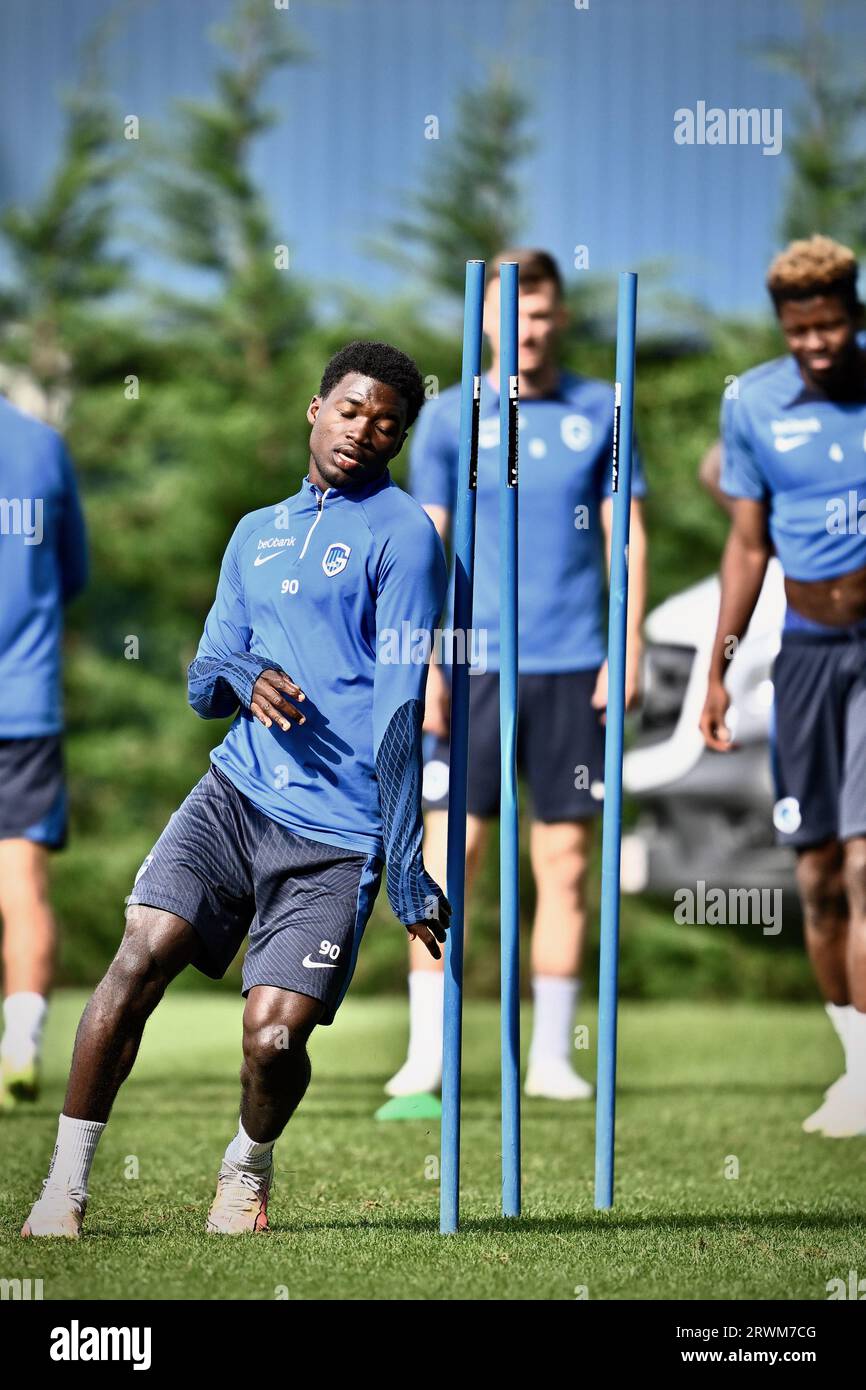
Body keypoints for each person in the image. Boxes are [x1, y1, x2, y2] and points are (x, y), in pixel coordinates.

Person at [22, 341, 450, 1238]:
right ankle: (63, 1188)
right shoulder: (256, 532)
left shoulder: (406, 536)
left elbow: (403, 709)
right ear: (315, 407)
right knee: (142, 951)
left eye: (386, 424)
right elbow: (201, 678)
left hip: (339, 833)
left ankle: (246, 1172)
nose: (362, 431)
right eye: (350, 409)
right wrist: (245, 672)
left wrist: (406, 860)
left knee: (272, 1038)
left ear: (399, 438)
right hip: (236, 794)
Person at [385, 249, 648, 1103]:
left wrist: (628, 646)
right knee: (448, 854)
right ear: (488, 319)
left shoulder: (601, 408)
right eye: (514, 314)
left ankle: (553, 1060)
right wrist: (425, 659)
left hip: (576, 668)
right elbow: (423, 547)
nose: (529, 330)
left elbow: (627, 535)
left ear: (559, 318)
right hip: (472, 665)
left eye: (542, 315)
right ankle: (427, 1056)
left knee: (566, 864)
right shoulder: (453, 418)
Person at [700, 234, 866, 1137]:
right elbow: (748, 546)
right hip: (805, 653)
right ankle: (854, 1067)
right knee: (817, 876)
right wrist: (719, 671)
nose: (817, 344)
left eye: (832, 325)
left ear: (856, 315)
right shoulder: (754, 405)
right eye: (800, 330)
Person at [0, 396, 87, 1112]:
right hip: (25, 702)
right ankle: (21, 1043)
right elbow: (73, 574)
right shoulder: (42, 446)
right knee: (21, 884)